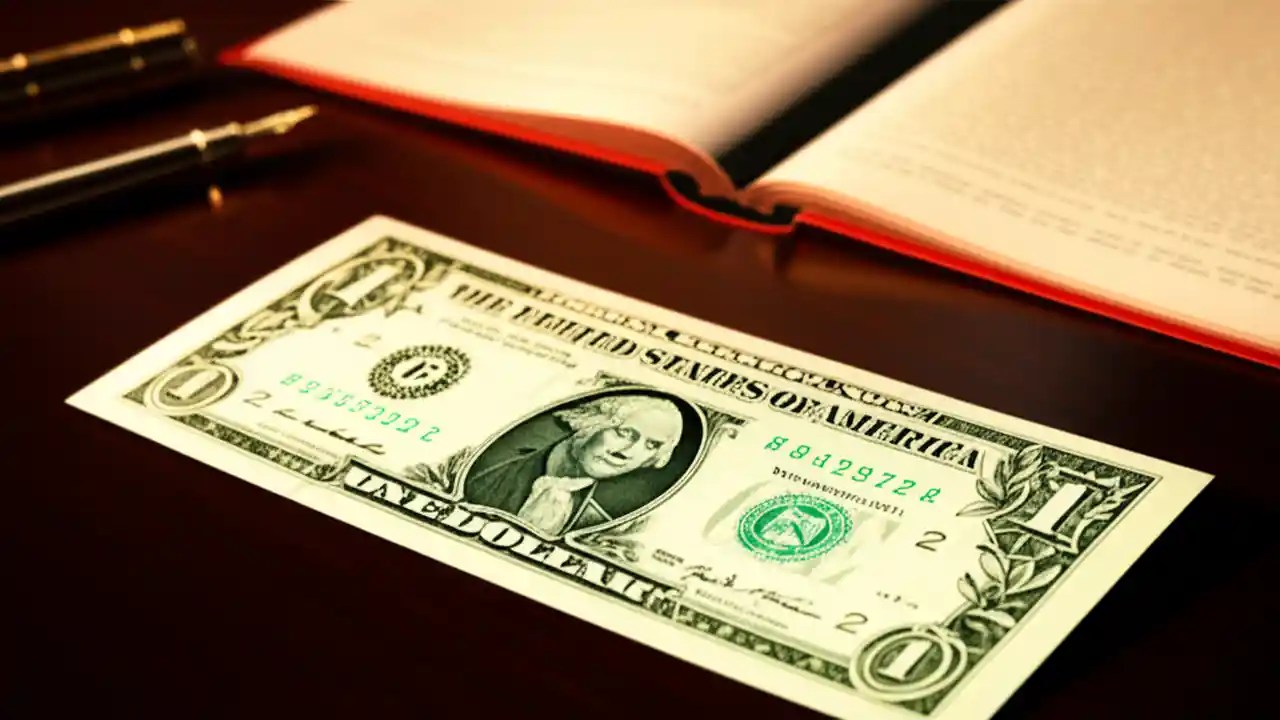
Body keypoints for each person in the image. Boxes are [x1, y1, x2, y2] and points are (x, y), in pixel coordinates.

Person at [463, 394, 685, 536]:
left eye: (652, 445)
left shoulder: (618, 527)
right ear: (589, 424)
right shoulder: (485, 473)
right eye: (624, 433)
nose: (629, 452)